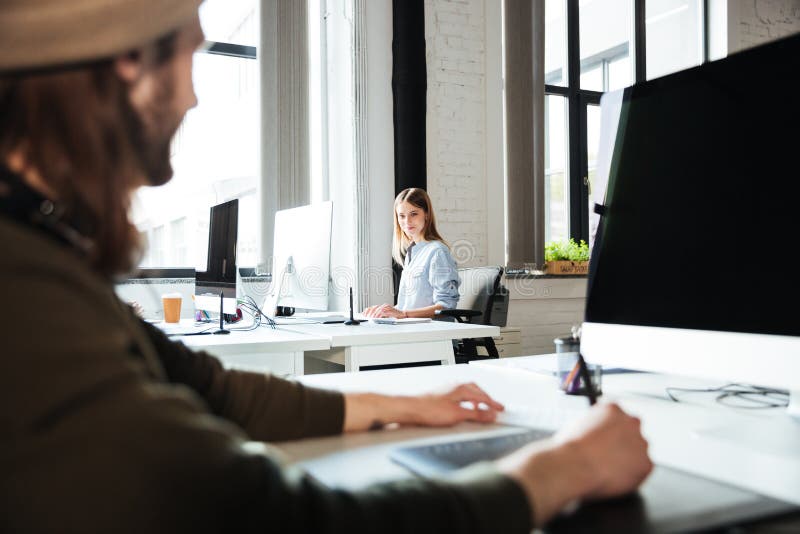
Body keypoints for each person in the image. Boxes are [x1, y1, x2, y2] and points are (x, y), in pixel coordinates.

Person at [0, 1, 652, 533]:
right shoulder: (23, 285)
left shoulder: (40, 245)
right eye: (190, 55)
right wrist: (557, 471)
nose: (194, 98)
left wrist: (405, 404)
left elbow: (210, 388)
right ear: (127, 60)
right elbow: (280, 519)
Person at [364, 188, 461, 319]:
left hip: (433, 333)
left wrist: (403, 314)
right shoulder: (412, 253)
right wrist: (384, 312)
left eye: (414, 214)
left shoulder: (437, 252)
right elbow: (408, 307)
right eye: (402, 216)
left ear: (426, 214)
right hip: (412, 330)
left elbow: (446, 305)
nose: (407, 221)